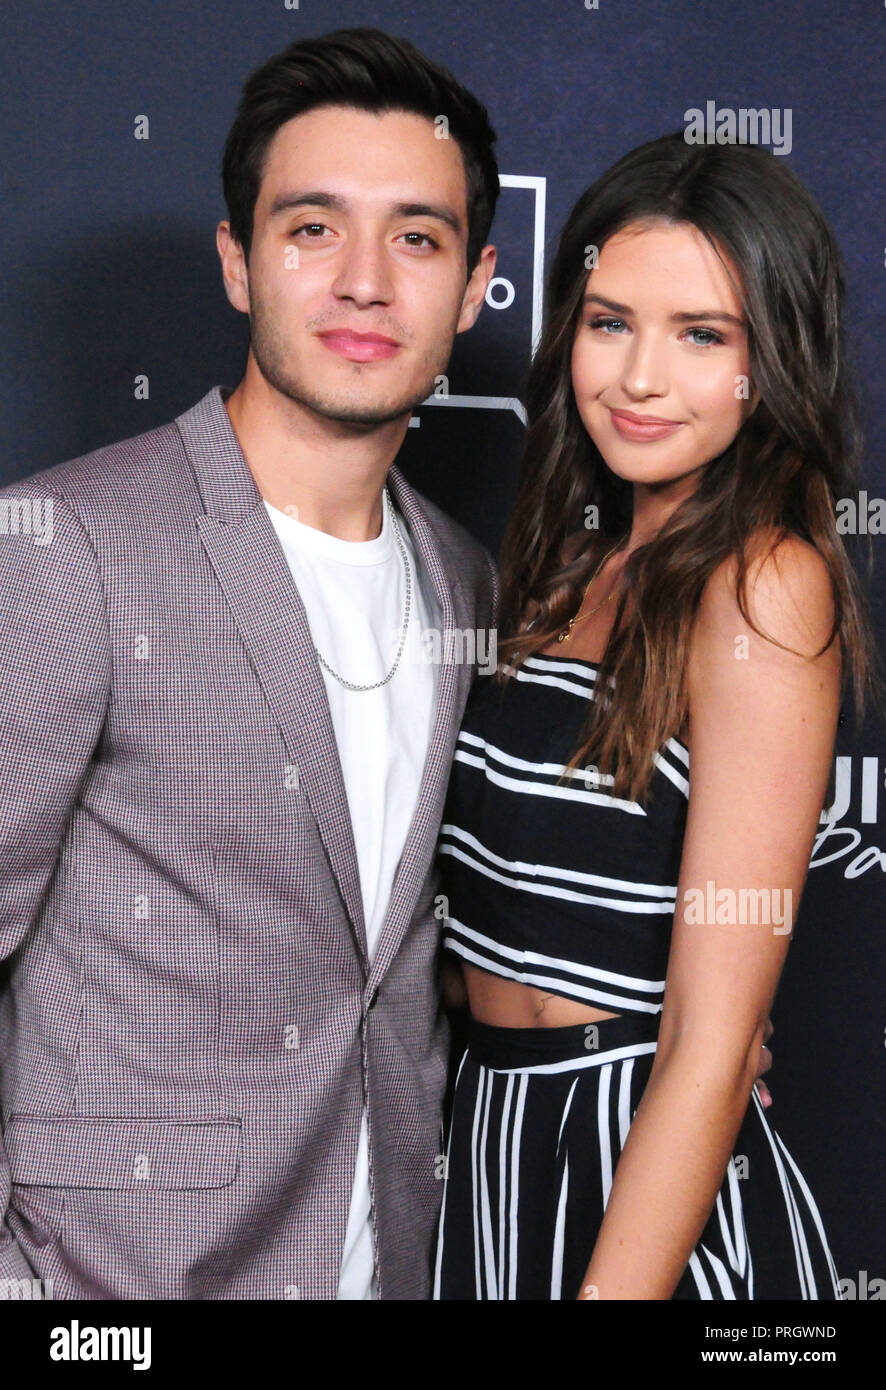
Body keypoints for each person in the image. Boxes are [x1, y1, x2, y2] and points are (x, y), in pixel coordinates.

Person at [0, 26, 503, 1300]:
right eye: (312, 228)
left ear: (475, 281)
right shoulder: (74, 547)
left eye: (418, 237)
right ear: (238, 262)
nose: (366, 282)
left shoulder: (470, 585)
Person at [432, 130, 883, 1299]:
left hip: (636, 1184)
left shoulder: (762, 583)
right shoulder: (559, 569)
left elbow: (712, 1041)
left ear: (771, 358)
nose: (637, 378)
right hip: (488, 1143)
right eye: (609, 321)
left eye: (701, 337)